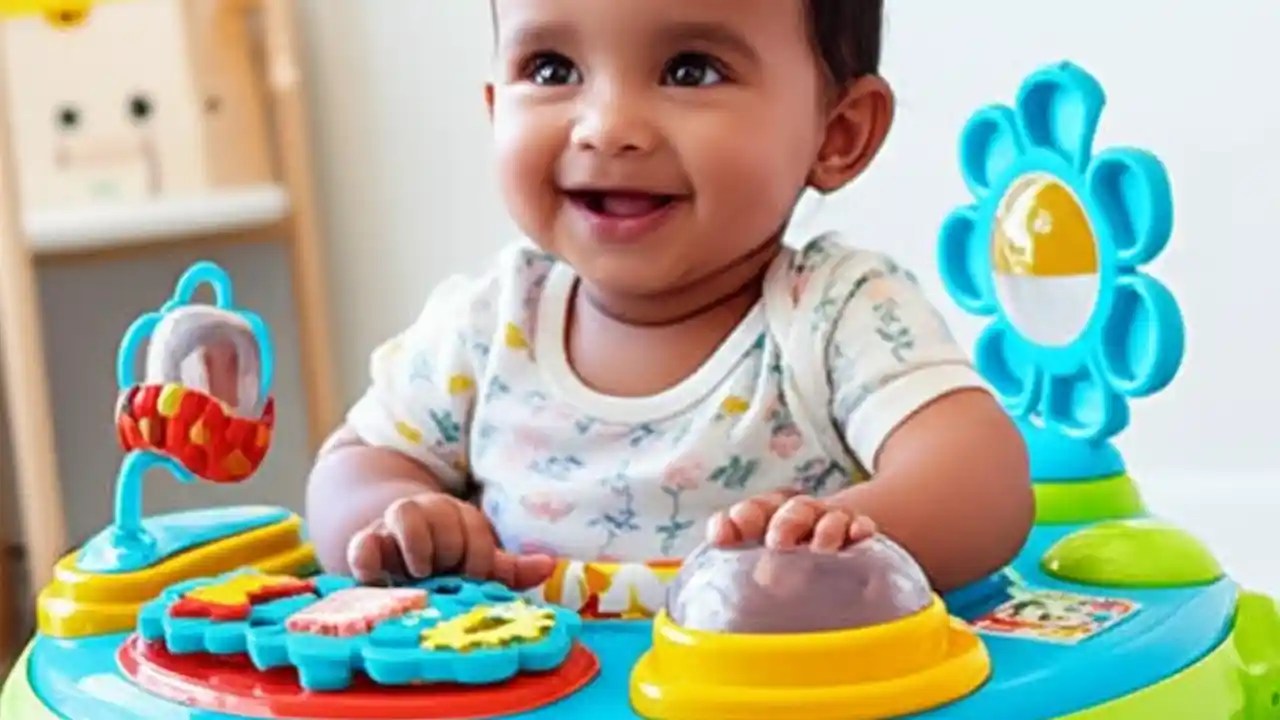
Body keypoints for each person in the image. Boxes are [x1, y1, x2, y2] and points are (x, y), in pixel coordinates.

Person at [306, 0, 1033, 595]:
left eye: (691, 70)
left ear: (835, 133)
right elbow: (351, 468)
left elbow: (982, 482)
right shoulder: (487, 327)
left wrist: (833, 540)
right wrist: (395, 526)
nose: (608, 127)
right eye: (552, 68)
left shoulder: (833, 312)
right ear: (496, 108)